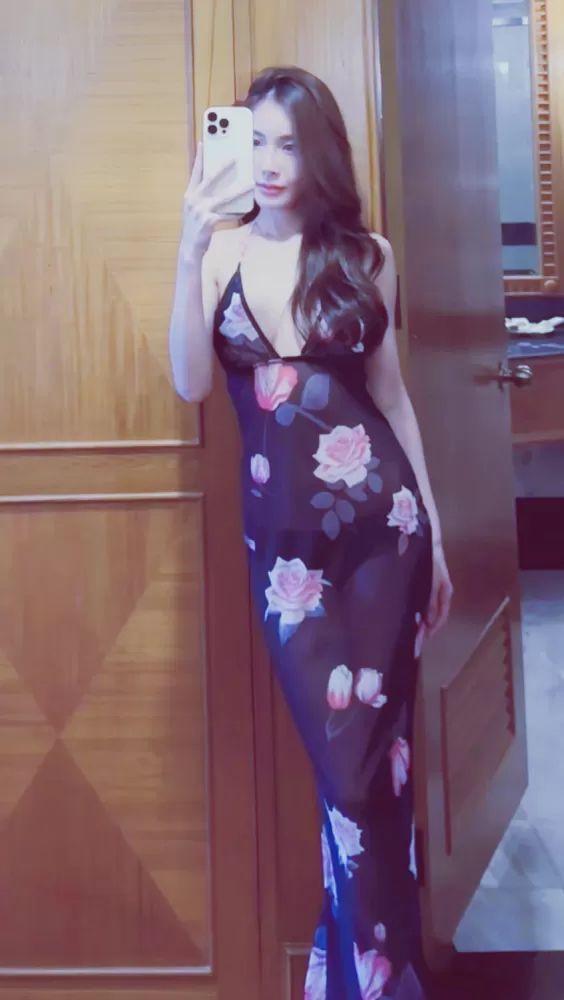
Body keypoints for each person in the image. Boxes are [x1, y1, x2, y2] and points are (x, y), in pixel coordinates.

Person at [169, 65, 453, 1000]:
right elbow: (191, 384)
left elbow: (393, 400)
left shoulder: (366, 256)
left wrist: (436, 537)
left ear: (320, 152)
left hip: (385, 540)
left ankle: (362, 983)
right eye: (255, 140)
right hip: (287, 560)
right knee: (351, 780)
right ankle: (368, 978)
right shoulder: (219, 256)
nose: (269, 161)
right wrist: (187, 245)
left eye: (289, 143)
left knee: (379, 774)